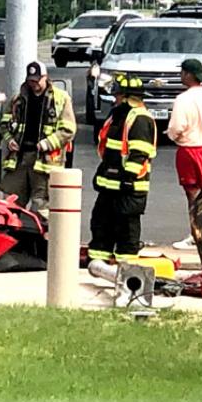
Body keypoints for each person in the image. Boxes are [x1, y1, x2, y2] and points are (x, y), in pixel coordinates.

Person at [88, 73, 157, 265]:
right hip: (110, 186)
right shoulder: (119, 115)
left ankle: (126, 269)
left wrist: (128, 178)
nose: (115, 99)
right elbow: (111, 149)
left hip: (130, 188)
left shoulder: (140, 118)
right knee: (101, 225)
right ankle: (98, 264)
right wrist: (101, 173)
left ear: (127, 97)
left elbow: (140, 152)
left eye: (118, 95)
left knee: (126, 230)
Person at [0, 61, 76, 218]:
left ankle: (42, 240)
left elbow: (68, 130)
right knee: (11, 204)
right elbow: (3, 125)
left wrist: (47, 143)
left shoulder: (61, 99)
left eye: (37, 80)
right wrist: (10, 139)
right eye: (30, 80)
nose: (33, 84)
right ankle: (15, 239)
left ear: (45, 77)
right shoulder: (18, 100)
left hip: (45, 161)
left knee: (41, 206)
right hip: (19, 159)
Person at [167, 58, 202, 251]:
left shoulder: (183, 99)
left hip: (190, 149)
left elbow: (177, 126)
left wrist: (172, 135)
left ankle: (197, 233)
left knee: (193, 194)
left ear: (187, 74)